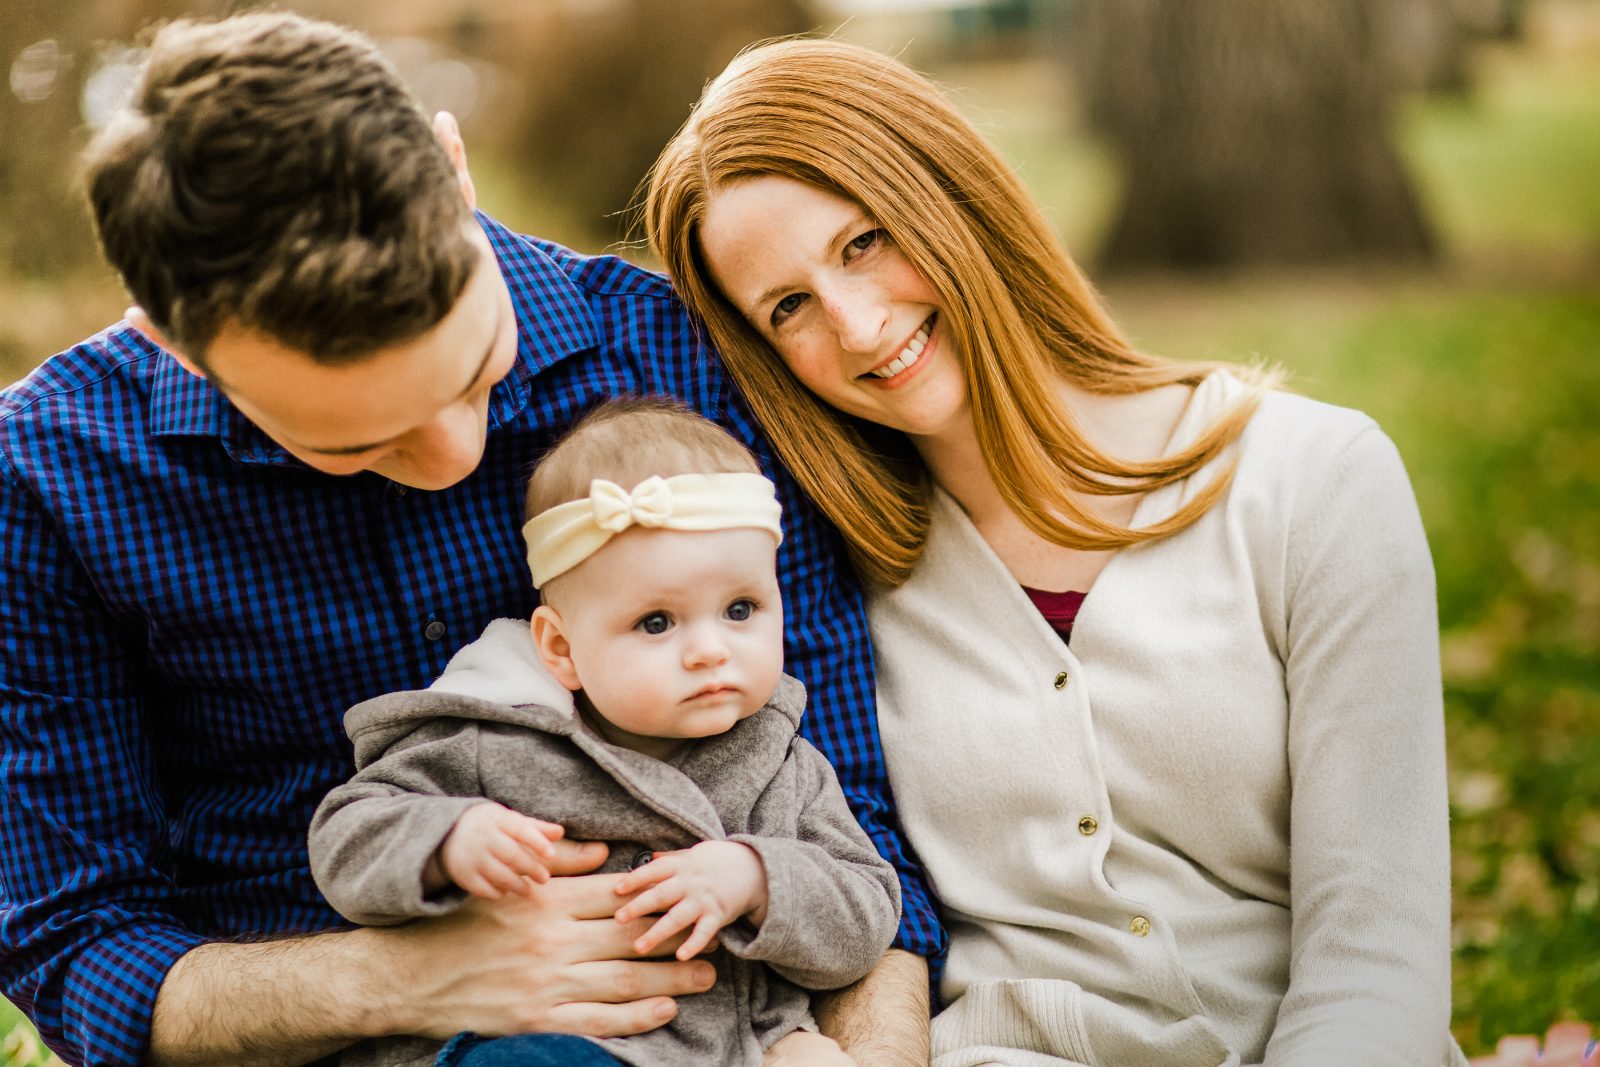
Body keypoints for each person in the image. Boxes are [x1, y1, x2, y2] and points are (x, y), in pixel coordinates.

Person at [0, 15, 936, 1067]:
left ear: (455, 169)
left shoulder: (680, 358)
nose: (451, 451)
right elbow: (80, 945)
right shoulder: (51, 479)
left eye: (477, 364)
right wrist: (403, 977)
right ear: (172, 336)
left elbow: (854, 820)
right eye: (355, 440)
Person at [646, 37, 1463, 1067]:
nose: (855, 326)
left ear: (952, 195)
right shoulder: (816, 585)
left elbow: (1376, 956)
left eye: (862, 243)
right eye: (788, 307)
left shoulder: (1313, 479)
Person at [308, 399, 898, 1067]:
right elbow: (344, 839)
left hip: (738, 1038)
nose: (710, 649)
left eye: (741, 609)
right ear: (560, 647)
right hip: (546, 1034)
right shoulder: (492, 736)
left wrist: (759, 878)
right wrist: (444, 840)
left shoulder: (782, 761)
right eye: (655, 622)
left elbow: (867, 916)